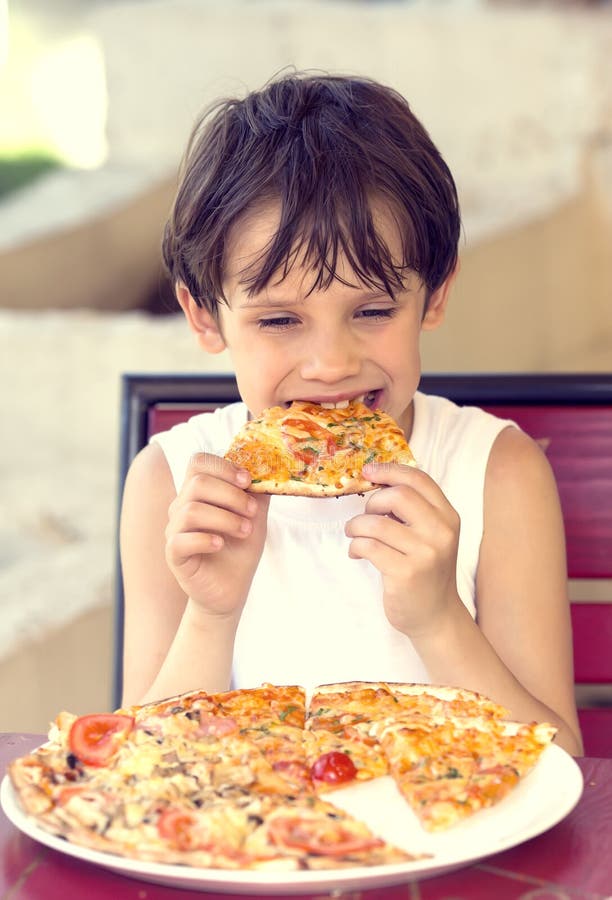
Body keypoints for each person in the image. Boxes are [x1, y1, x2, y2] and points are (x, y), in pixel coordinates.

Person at [119, 70, 582, 755]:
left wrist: (437, 619)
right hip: (256, 854)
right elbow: (138, 771)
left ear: (435, 295)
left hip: (451, 851)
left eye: (371, 311)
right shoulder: (170, 484)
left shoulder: (498, 474)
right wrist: (212, 615)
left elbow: (559, 762)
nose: (331, 363)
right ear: (204, 316)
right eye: (279, 320)